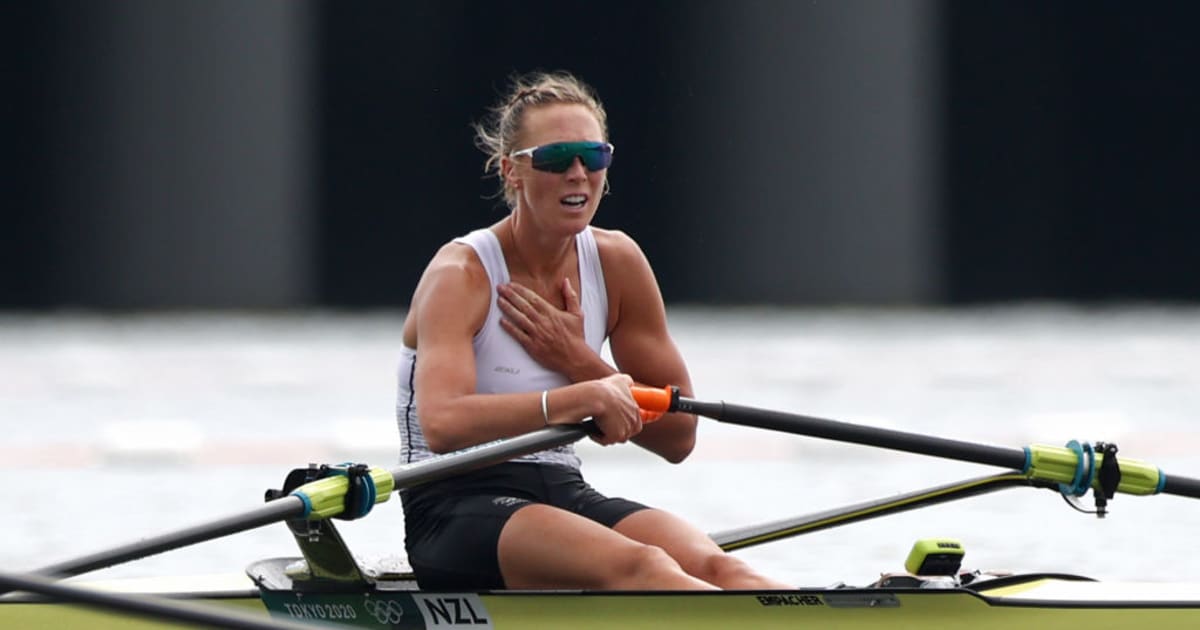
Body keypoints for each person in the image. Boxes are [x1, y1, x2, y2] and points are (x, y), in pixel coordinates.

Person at [396, 70, 789, 591]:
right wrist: (584, 395)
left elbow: (678, 437)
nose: (578, 174)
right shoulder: (461, 275)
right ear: (512, 171)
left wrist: (579, 360)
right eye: (556, 160)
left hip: (562, 490)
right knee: (646, 567)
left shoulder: (618, 262)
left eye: (593, 157)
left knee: (723, 568)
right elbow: (443, 423)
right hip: (453, 504)